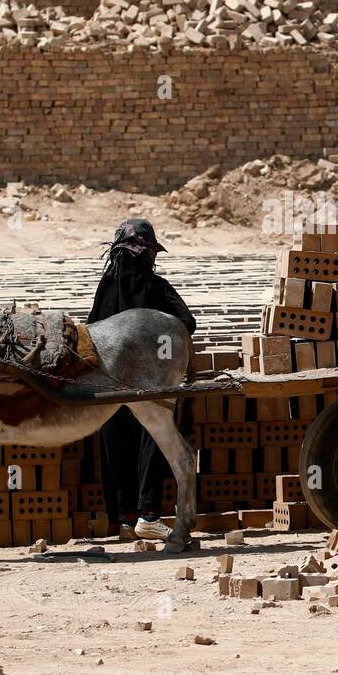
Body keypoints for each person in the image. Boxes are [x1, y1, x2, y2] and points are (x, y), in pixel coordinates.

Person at [87, 219, 195, 542]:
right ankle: (148, 514)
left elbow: (91, 333)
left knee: (115, 445)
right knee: (156, 437)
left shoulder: (106, 287)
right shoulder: (154, 286)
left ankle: (124, 519)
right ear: (145, 253)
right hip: (147, 384)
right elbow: (187, 322)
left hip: (108, 387)